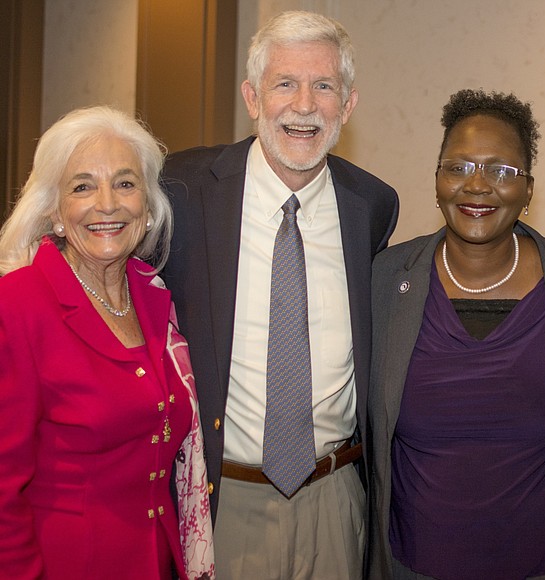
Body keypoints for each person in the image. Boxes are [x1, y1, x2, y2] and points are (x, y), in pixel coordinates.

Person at [161, 10, 399, 579]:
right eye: (285, 83)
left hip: (338, 498)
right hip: (226, 499)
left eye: (324, 86)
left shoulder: (372, 206)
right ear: (251, 96)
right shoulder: (182, 192)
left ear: (348, 104)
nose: (304, 105)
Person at [367, 89, 545, 580]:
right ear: (437, 180)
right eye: (459, 167)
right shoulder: (385, 281)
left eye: (502, 171)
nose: (478, 185)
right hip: (413, 567)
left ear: (529, 189)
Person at [0, 106, 214, 579]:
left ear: (149, 202)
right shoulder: (16, 307)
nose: (107, 204)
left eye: (124, 183)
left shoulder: (157, 298)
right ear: (54, 211)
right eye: (82, 186)